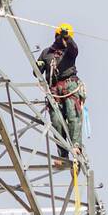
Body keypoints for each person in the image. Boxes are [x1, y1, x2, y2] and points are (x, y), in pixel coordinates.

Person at [38, 23, 85, 167]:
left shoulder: (69, 51)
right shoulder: (47, 53)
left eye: (67, 38)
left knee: (72, 116)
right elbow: (36, 72)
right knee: (57, 121)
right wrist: (39, 65)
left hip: (70, 85)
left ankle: (76, 147)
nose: (64, 40)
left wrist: (68, 37)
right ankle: (63, 155)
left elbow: (74, 49)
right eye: (63, 37)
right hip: (54, 90)